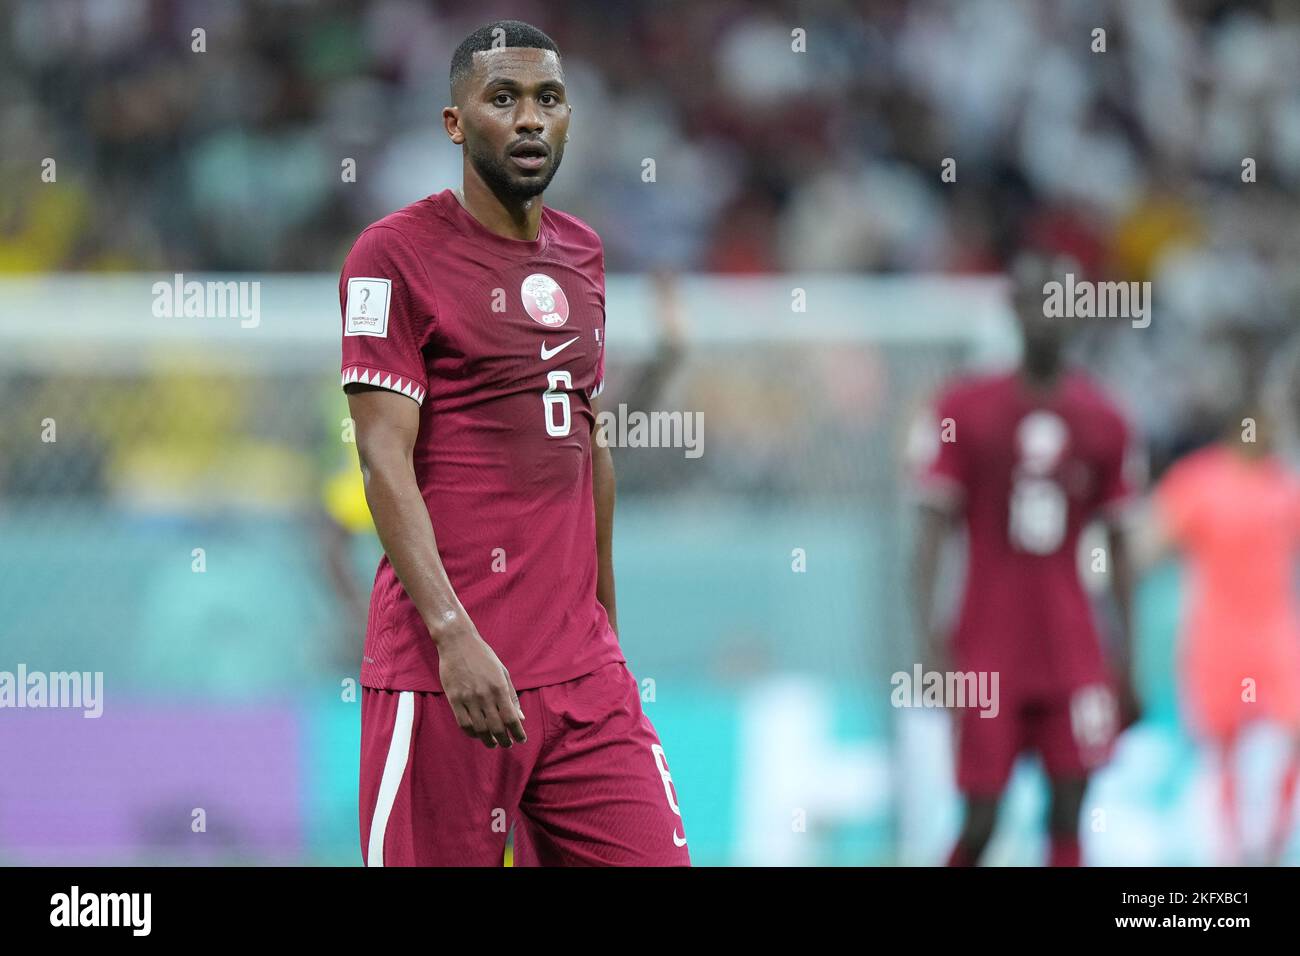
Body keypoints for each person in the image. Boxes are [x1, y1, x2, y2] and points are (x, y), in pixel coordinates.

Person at [341, 20, 688, 866]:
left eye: (548, 99)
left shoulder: (583, 255)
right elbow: (382, 459)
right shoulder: (391, 256)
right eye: (503, 98)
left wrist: (604, 627)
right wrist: (454, 635)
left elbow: (585, 445)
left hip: (581, 681)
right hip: (446, 677)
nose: (530, 119)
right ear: (455, 123)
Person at [911, 253, 1141, 866]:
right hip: (989, 642)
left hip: (1073, 644)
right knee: (982, 816)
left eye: (1063, 302)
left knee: (1071, 807)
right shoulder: (964, 408)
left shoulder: (1105, 418)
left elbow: (1120, 544)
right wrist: (928, 638)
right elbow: (931, 530)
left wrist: (1129, 656)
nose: (1050, 316)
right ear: (1014, 309)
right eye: (1039, 300)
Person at [1150, 401, 1300, 865]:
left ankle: (1275, 839)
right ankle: (1233, 850)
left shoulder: (1285, 486)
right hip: (1217, 636)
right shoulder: (1199, 482)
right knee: (1223, 749)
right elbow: (1153, 542)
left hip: (1274, 632)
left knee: (1290, 733)